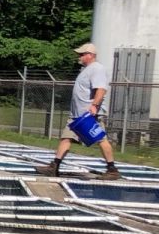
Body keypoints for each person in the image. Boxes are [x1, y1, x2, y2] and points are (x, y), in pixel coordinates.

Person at [33, 42, 120, 180]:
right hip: (77, 115)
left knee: (100, 139)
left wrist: (94, 105)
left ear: (90, 55)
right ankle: (54, 166)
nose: (78, 57)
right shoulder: (86, 70)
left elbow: (101, 89)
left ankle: (112, 169)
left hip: (90, 114)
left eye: (81, 54)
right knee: (66, 138)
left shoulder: (97, 69)